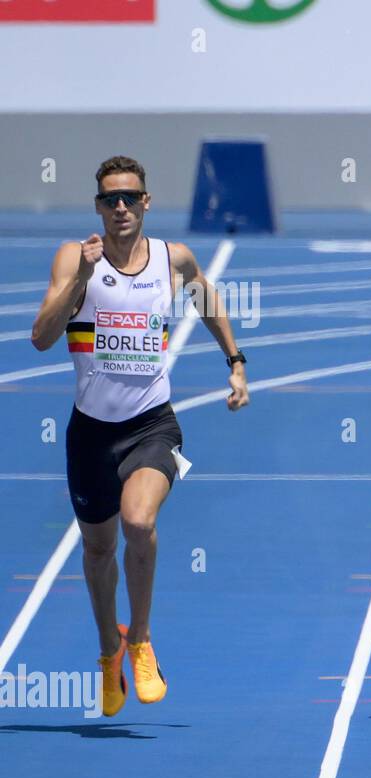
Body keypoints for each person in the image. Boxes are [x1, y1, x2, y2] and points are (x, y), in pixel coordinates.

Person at [31, 155, 250, 716]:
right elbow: (41, 338)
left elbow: (206, 297)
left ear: (147, 201)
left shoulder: (173, 260)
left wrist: (235, 361)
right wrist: (80, 279)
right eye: (109, 199)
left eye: (130, 197)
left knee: (139, 520)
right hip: (90, 436)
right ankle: (111, 650)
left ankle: (144, 638)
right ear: (98, 206)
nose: (120, 207)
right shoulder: (74, 258)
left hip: (152, 424)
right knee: (99, 548)